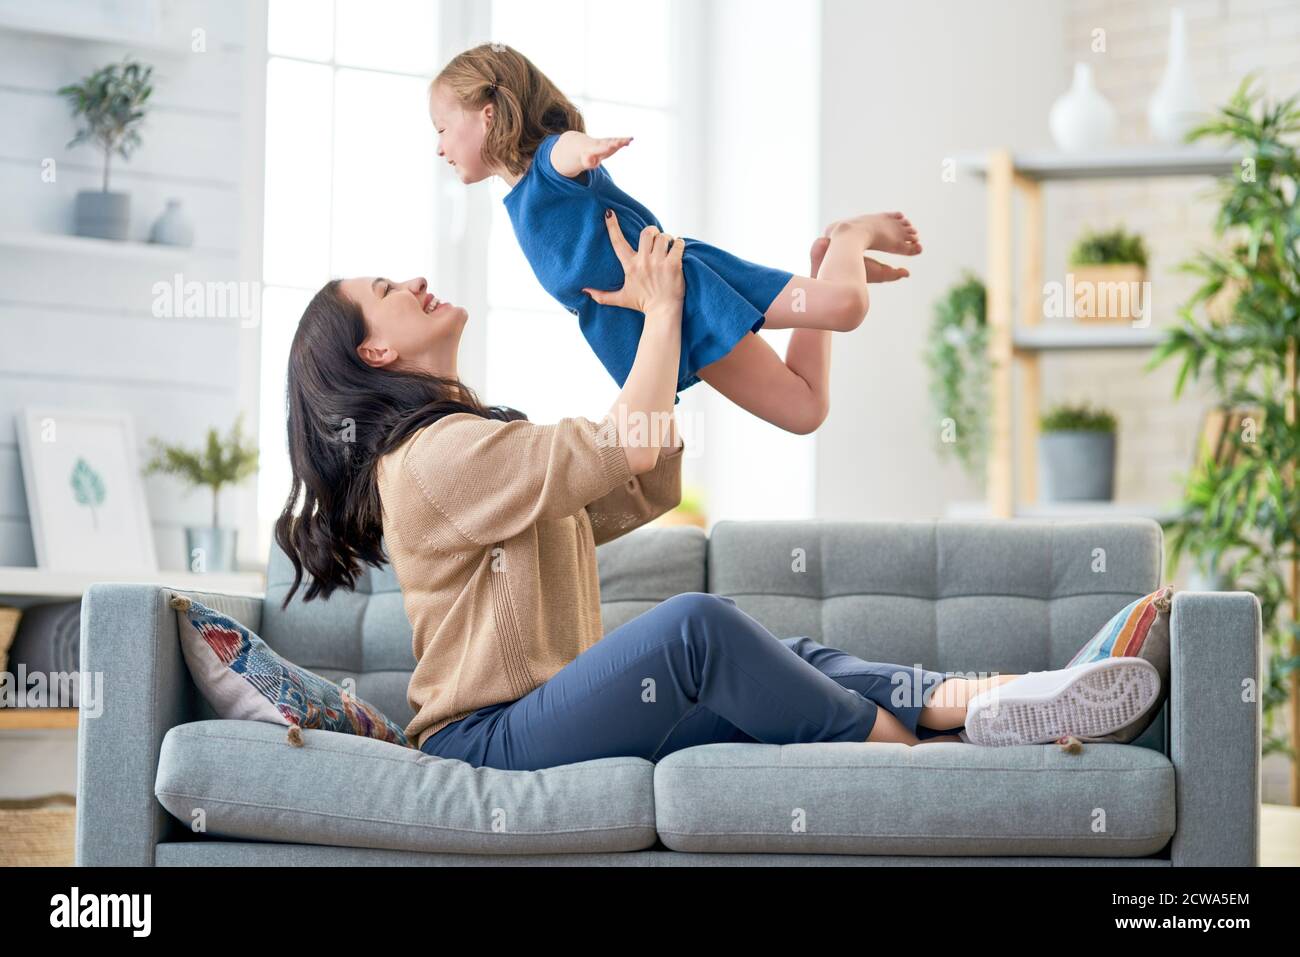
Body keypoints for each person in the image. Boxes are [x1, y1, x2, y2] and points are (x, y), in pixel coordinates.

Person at [273, 210, 1158, 771]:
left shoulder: (472, 442)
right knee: (698, 627)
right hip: (493, 742)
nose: (416, 283)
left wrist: (647, 326)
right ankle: (922, 761)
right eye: (389, 291)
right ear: (374, 355)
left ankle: (994, 701)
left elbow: (630, 486)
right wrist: (661, 315)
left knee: (790, 660)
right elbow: (625, 444)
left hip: (544, 719)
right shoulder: (432, 457)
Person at [429, 41, 922, 435]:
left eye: (443, 128)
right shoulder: (518, 200)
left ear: (487, 113)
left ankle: (853, 234)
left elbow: (567, 151)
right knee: (805, 410)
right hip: (660, 321)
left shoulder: (548, 168)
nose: (439, 147)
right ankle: (827, 257)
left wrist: (592, 149)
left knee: (846, 309)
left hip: (686, 283)